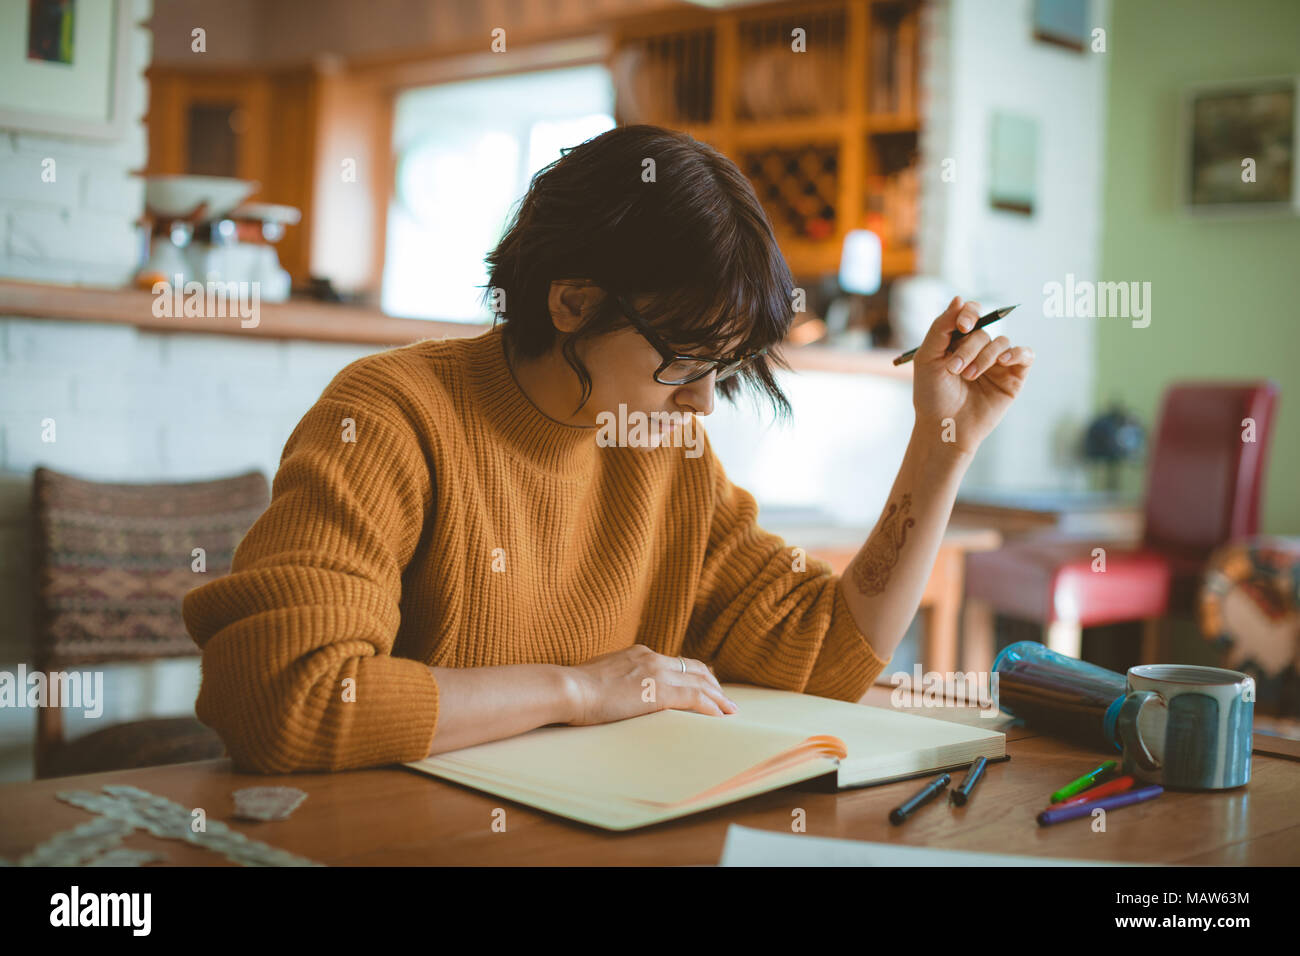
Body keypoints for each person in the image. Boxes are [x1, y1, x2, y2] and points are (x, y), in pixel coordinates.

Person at [182, 124, 1033, 773]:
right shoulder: (391, 418)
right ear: (573, 304)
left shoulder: (663, 455)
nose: (701, 403)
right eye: (684, 364)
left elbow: (832, 651)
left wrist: (943, 441)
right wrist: (581, 687)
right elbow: (284, 697)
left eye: (723, 371)